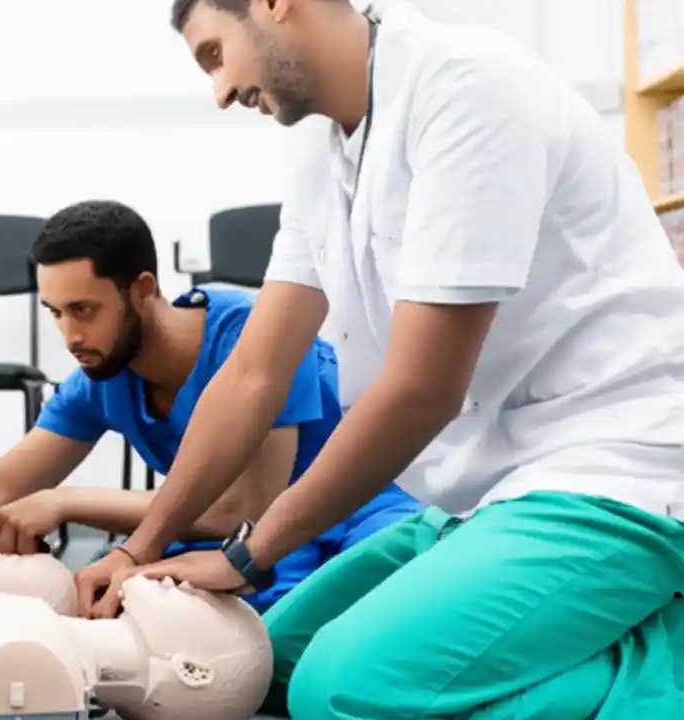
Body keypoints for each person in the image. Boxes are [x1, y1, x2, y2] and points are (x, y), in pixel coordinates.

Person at [76, 1, 684, 718]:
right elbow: (253, 373)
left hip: (616, 475)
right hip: (488, 495)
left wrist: (246, 554)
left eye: (215, 54)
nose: (218, 90)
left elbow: (421, 391)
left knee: (340, 689)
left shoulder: (469, 91)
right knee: (265, 661)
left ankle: (658, 674)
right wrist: (137, 551)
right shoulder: (323, 151)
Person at [0, 199, 421, 613]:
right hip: (245, 544)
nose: (69, 335)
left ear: (142, 289)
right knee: (109, 604)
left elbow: (244, 509)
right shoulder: (102, 374)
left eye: (84, 310)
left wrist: (65, 501)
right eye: (55, 314)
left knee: (316, 627)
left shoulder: (255, 335)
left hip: (350, 518)